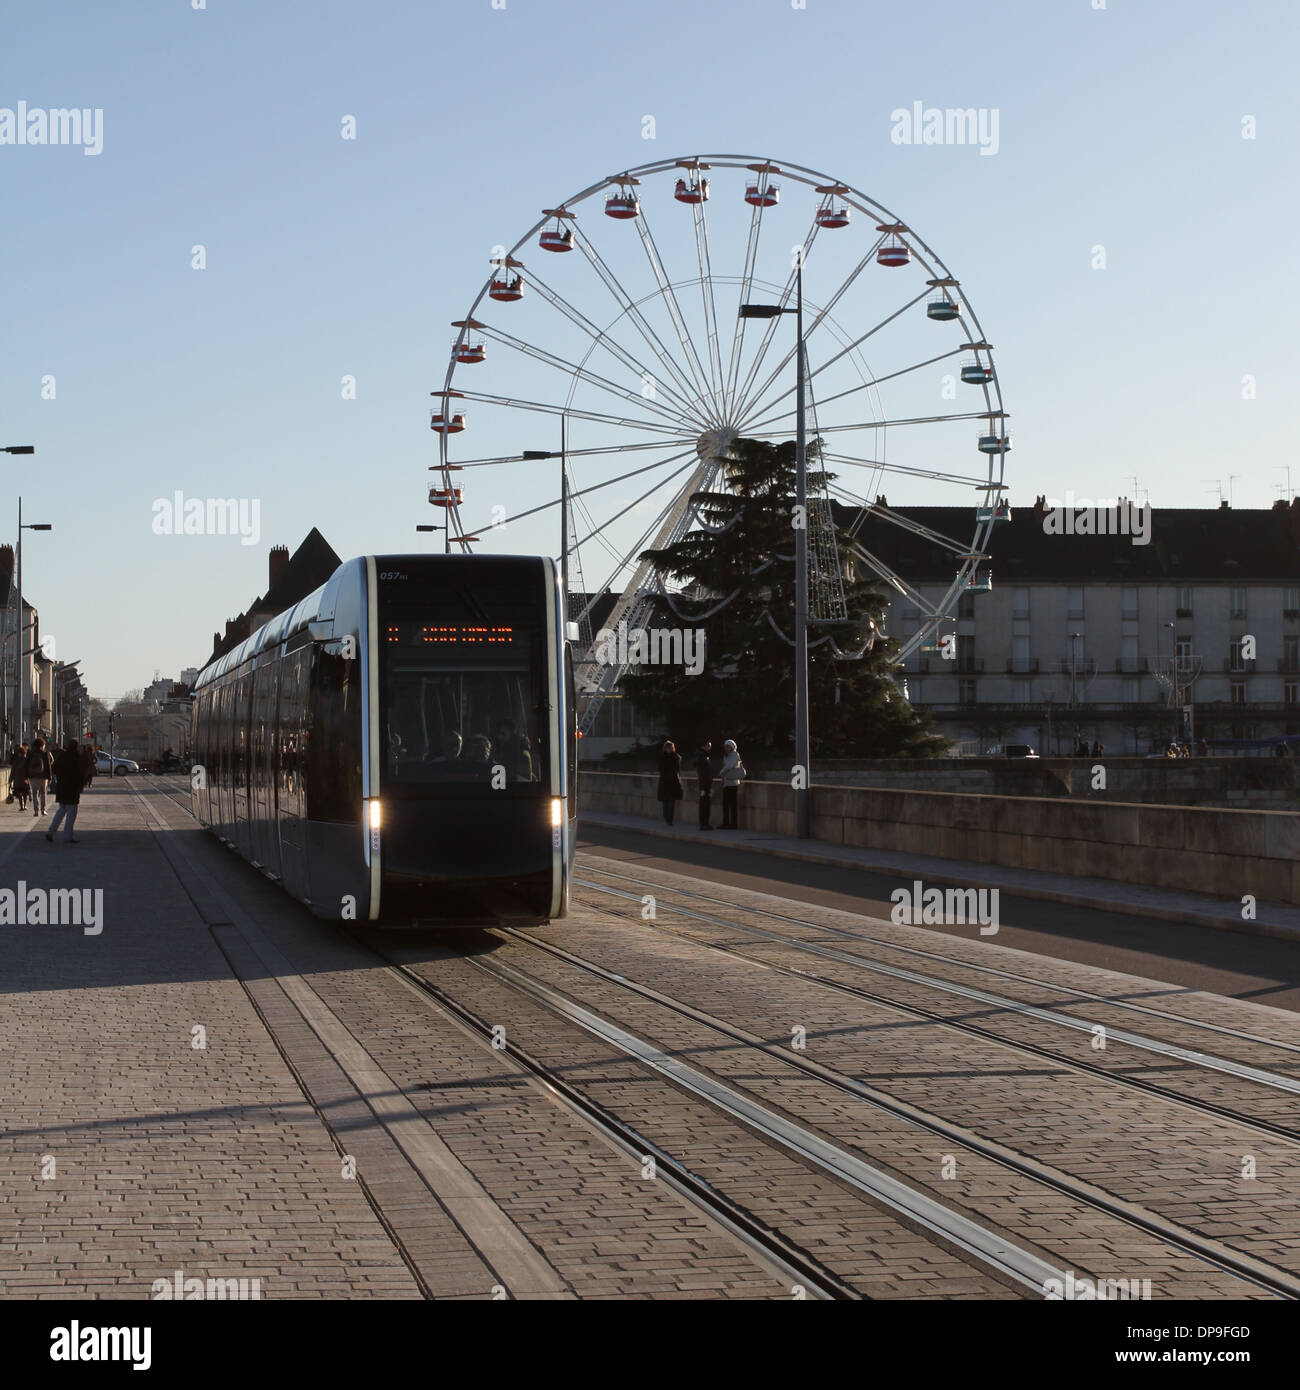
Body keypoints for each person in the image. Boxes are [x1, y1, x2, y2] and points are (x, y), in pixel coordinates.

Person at [47, 738, 85, 844]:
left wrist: (60, 776)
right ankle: (67, 836)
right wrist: (80, 785)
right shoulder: (76, 758)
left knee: (61, 810)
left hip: (62, 786)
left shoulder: (63, 756)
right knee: (71, 813)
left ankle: (51, 832)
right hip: (72, 788)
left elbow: (54, 768)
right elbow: (80, 773)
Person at [719, 738, 746, 829]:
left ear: (731, 747)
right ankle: (726, 823)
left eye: (727, 746)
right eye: (725, 746)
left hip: (733, 783)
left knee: (732, 805)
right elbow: (726, 766)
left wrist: (721, 773)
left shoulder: (735, 754)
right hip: (727, 782)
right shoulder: (726, 755)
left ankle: (733, 824)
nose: (726, 748)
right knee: (726, 805)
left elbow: (730, 766)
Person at [657, 739, 683, 825]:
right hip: (664, 782)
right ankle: (666, 817)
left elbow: (678, 770)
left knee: (671, 802)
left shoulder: (676, 757)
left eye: (670, 748)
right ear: (665, 748)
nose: (669, 749)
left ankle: (670, 820)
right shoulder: (662, 757)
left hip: (673, 782)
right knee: (665, 803)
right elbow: (660, 769)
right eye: (668, 748)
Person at [27, 736, 51, 817]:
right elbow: (48, 766)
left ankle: (36, 811)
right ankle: (43, 810)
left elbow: (26, 765)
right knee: (43, 793)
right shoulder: (44, 753)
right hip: (43, 776)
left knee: (34, 793)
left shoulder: (30, 753)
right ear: (42, 745)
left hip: (32, 776)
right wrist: (49, 777)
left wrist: (25, 777)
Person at [695, 739, 714, 830]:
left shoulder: (703, 756)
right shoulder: (702, 757)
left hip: (705, 784)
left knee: (705, 805)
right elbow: (703, 772)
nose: (710, 748)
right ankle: (704, 824)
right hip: (704, 784)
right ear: (704, 746)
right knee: (704, 805)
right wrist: (705, 785)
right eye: (708, 746)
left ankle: (705, 823)